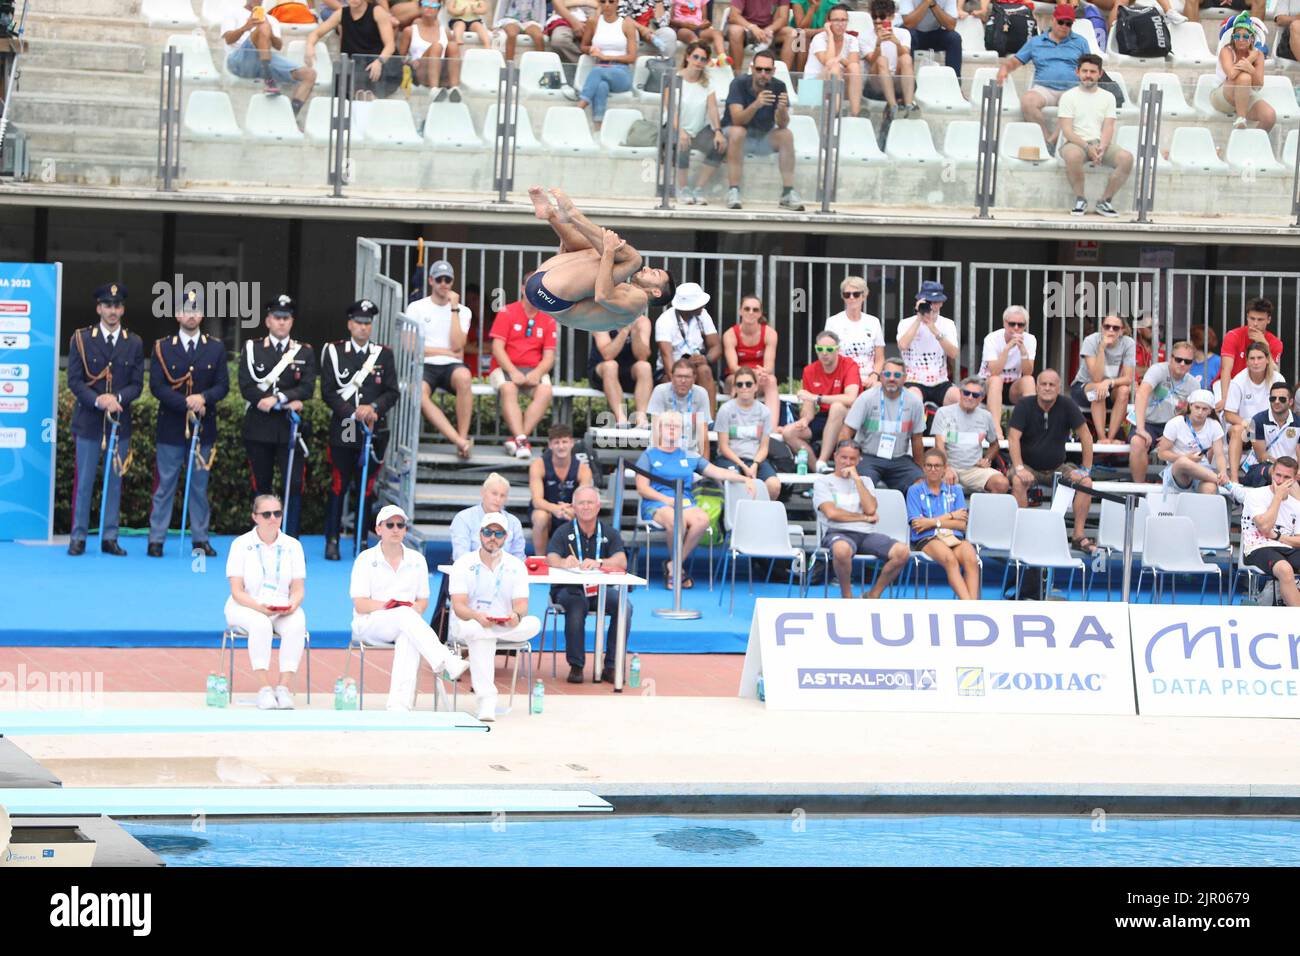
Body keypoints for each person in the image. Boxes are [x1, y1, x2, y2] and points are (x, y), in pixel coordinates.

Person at [350, 504, 469, 711]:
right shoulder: (365, 559)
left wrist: (410, 610)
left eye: (400, 525)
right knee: (404, 616)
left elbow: (423, 602)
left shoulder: (417, 560)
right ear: (379, 529)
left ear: (405, 529)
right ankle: (446, 659)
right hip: (369, 623)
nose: (396, 529)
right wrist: (389, 607)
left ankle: (399, 704)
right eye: (390, 525)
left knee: (408, 636)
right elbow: (360, 604)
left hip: (406, 624)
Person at [146, 287, 230, 558]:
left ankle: (200, 539)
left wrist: (203, 397)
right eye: (185, 311)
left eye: (195, 311)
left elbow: (223, 385)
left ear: (202, 315)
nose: (190, 316)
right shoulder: (162, 347)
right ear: (177, 314)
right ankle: (156, 538)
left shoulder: (215, 348)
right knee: (165, 484)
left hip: (202, 428)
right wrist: (186, 403)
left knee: (199, 486)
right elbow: (157, 386)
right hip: (171, 427)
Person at [524, 186, 675, 333]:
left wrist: (609, 251)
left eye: (654, 273)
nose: (646, 268)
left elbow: (602, 296)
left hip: (549, 295)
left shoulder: (639, 301)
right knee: (597, 254)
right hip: (544, 290)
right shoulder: (624, 294)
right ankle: (551, 214)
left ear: (656, 292)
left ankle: (572, 214)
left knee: (633, 260)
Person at [635, 410, 756, 589]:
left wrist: (744, 478)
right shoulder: (649, 455)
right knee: (678, 521)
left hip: (685, 502)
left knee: (702, 520)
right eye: (668, 425)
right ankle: (677, 569)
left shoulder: (689, 455)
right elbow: (642, 488)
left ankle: (674, 565)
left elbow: (716, 471)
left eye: (676, 426)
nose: (672, 429)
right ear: (659, 429)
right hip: (658, 503)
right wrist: (666, 500)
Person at [66, 282, 144, 557]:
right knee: (84, 480)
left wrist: (117, 399)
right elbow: (74, 381)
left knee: (114, 482)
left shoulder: (133, 342)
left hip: (119, 422)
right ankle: (78, 537)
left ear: (122, 309)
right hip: (89, 421)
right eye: (107, 305)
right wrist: (99, 400)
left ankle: (109, 537)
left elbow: (137, 384)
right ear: (98, 308)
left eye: (117, 305)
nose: (112, 310)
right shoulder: (81, 339)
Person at [320, 299, 401, 561]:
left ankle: (362, 541)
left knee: (366, 487)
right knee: (339, 485)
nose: (363, 328)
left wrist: (374, 407)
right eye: (359, 323)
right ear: (350, 324)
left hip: (373, 427)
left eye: (367, 323)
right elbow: (328, 391)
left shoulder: (383, 354)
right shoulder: (335, 351)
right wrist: (353, 412)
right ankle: (332, 540)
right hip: (345, 425)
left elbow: (392, 391)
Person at [448, 512, 542, 721]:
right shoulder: (463, 563)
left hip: (503, 625)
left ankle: (486, 701)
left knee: (533, 623)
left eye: (498, 533)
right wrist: (477, 616)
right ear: (480, 534)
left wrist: (516, 616)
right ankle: (487, 702)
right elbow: (459, 606)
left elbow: (521, 605)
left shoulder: (516, 565)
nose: (493, 537)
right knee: (479, 632)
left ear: (506, 537)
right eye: (488, 532)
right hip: (470, 623)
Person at [238, 294, 318, 538]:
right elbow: (246, 385)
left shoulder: (304, 352)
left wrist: (278, 399)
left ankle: (290, 538)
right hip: (259, 426)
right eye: (277, 317)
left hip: (288, 429)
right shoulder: (253, 348)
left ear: (291, 322)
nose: (282, 322)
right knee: (260, 486)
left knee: (292, 486)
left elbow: (307, 387)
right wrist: (280, 400)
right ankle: (260, 537)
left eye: (286, 318)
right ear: (268, 321)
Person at [224, 494, 307, 710]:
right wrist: (259, 608)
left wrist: (293, 605)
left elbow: (298, 589)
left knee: (298, 622)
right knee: (260, 624)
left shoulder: (293, 545)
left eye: (277, 513)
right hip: (245, 605)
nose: (273, 518)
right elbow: (236, 591)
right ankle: (264, 688)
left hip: (281, 606)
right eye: (267, 514)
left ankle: (284, 687)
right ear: (255, 517)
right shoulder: (241, 544)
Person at [546, 485, 632, 682]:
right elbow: (550, 557)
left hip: (600, 591)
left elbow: (621, 560)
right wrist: (563, 562)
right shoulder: (563, 531)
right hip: (568, 590)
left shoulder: (609, 532)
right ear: (574, 507)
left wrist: (600, 562)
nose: (586, 507)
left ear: (598, 506)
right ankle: (576, 665)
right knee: (577, 604)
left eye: (590, 502)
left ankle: (611, 665)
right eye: (581, 503)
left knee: (624, 606)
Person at [1008, 368, 1096, 553]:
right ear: (1037, 387)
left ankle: (1078, 536)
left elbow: (1086, 437)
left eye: (1051, 385)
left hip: (1057, 467)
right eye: (1043, 384)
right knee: (1017, 480)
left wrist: (1085, 468)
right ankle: (1021, 534)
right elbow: (1013, 438)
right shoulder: (1024, 405)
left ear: (1058, 388)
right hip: (1028, 467)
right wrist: (1019, 467)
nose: (1047, 388)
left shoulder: (1067, 404)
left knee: (1086, 482)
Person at [814, 440, 912, 598]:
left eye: (852, 459)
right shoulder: (823, 482)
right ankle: (847, 597)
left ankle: (873, 595)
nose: (847, 462)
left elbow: (871, 509)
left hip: (866, 535)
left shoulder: (865, 481)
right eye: (843, 457)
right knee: (841, 550)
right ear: (835, 457)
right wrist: (864, 518)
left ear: (859, 460)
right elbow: (832, 513)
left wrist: (857, 480)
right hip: (837, 532)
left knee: (902, 552)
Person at [995, 5, 1090, 153]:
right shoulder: (1036, 42)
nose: (1065, 26)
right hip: (1044, 88)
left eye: (1069, 23)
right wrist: (1004, 68)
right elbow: (1016, 61)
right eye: (1061, 22)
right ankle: (1046, 139)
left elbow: (1089, 67)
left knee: (1073, 102)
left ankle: (1052, 141)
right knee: (1028, 102)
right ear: (1053, 20)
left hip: (1071, 88)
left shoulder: (1081, 42)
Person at [722, 51, 805, 211]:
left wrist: (781, 110)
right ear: (752, 69)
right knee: (738, 132)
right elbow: (737, 119)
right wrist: (756, 104)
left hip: (762, 136)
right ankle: (733, 190)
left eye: (767, 70)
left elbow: (782, 124)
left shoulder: (779, 86)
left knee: (786, 135)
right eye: (759, 69)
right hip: (736, 137)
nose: (763, 74)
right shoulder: (738, 83)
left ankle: (787, 193)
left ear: (773, 71)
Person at [410, 259, 474, 460]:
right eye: (439, 279)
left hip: (451, 366)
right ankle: (459, 441)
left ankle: (462, 438)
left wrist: (454, 308)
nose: (444, 284)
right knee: (419, 393)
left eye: (448, 279)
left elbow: (457, 345)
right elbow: (411, 347)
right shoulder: (416, 307)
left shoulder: (463, 310)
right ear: (430, 280)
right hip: (424, 364)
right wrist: (445, 352)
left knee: (464, 377)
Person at [489, 280, 558, 459]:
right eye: (531, 287)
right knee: (509, 388)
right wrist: (512, 372)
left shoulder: (548, 318)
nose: (535, 291)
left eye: (540, 288)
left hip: (534, 369)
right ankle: (522, 440)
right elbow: (497, 348)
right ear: (522, 289)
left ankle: (519, 439)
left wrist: (537, 373)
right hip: (505, 367)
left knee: (545, 391)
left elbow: (550, 356)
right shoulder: (507, 311)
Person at [1057, 53, 1131, 218]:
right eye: (1084, 71)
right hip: (1075, 143)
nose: (1088, 75)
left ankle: (1104, 201)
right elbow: (1067, 130)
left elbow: (1109, 126)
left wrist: (1102, 148)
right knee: (1073, 155)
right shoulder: (1068, 96)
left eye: (1092, 71)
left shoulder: (1108, 97)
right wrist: (1087, 147)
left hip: (1100, 143)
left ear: (1100, 73)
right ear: (1077, 72)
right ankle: (1080, 199)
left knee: (1126, 158)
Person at [781, 329, 861, 473]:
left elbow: (850, 398)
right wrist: (805, 420)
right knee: (789, 432)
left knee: (837, 407)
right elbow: (808, 404)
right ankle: (818, 469)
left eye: (829, 349)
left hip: (849, 417)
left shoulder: (849, 365)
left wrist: (817, 398)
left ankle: (822, 460)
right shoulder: (809, 370)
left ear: (837, 350)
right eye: (820, 349)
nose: (824, 353)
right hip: (824, 416)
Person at [907, 448, 981, 600]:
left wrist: (932, 522)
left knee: (971, 558)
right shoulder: (914, 490)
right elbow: (918, 525)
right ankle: (969, 605)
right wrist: (951, 516)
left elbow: (962, 525)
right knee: (949, 559)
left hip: (954, 537)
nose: (933, 469)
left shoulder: (955, 490)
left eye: (937, 466)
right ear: (923, 468)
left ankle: (973, 607)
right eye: (929, 465)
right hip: (927, 538)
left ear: (945, 468)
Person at [842, 356, 926, 488]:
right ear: (881, 377)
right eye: (887, 374)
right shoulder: (866, 398)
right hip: (868, 457)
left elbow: (917, 440)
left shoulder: (914, 402)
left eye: (897, 375)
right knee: (862, 485)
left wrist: (920, 471)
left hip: (900, 459)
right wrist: (846, 462)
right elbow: (846, 432)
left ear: (904, 378)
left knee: (919, 486)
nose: (892, 378)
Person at [221, 0, 317, 112]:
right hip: (239, 59)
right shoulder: (233, 13)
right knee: (263, 26)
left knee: (309, 74)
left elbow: (278, 46)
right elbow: (228, 39)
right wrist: (246, 27)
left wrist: (269, 33)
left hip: (263, 60)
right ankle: (269, 80)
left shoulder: (271, 20)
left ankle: (291, 117)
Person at [1128, 340, 1200, 484]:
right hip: (1148, 422)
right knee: (1137, 442)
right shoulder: (1158, 370)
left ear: (1192, 364)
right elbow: (1142, 394)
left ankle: (1176, 487)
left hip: (1172, 426)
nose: (1182, 364)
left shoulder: (1194, 384)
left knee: (1193, 448)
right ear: (1170, 358)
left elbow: (1192, 414)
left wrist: (1171, 433)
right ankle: (1139, 490)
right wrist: (1141, 429)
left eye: (1187, 361)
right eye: (1178, 359)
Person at [668, 42, 727, 205]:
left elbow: (713, 108)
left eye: (703, 59)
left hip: (698, 131)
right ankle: (682, 189)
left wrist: (718, 131)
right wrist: (680, 131)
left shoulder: (708, 83)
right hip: (674, 128)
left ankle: (698, 189)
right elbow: (670, 109)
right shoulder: (675, 79)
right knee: (683, 144)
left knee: (720, 146)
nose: (698, 61)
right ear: (687, 57)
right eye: (695, 57)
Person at [306, 0, 401, 100]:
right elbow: (316, 33)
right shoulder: (342, 13)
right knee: (343, 80)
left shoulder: (377, 12)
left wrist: (379, 61)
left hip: (381, 63)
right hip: (356, 66)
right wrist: (309, 45)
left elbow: (390, 45)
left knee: (364, 79)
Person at [932, 377, 1010, 494]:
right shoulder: (943, 412)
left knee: (1002, 483)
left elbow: (995, 444)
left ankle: (984, 512)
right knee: (945, 482)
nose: (969, 397)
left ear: (982, 398)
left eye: (975, 395)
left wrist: (987, 459)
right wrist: (946, 468)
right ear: (960, 393)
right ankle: (951, 513)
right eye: (966, 393)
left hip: (974, 469)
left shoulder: (986, 416)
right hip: (949, 466)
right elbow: (939, 445)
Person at [1240, 455, 1300, 607]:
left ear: (1294, 479)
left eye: (1286, 477)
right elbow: (1265, 528)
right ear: (1272, 472)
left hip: (1286, 548)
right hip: (1257, 547)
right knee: (1285, 569)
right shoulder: (1255, 495)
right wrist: (1278, 497)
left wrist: (1279, 537)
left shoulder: (1296, 505)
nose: (1280, 481)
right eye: (1278, 475)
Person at [570, 0, 638, 130]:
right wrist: (591, 50)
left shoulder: (626, 23)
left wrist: (606, 57)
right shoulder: (593, 21)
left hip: (621, 71)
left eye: (611, 1)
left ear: (617, 3)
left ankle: (579, 108)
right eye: (603, 1)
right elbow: (583, 46)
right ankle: (598, 126)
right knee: (601, 86)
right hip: (602, 67)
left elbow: (632, 57)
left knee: (597, 71)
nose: (607, 5)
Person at [714, 367, 782, 498]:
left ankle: (762, 516)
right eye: (740, 384)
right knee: (737, 481)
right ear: (735, 388)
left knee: (774, 485)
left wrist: (755, 464)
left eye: (748, 384)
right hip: (730, 459)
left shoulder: (764, 412)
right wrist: (743, 466)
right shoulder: (725, 409)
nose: (744, 387)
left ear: (756, 387)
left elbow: (764, 447)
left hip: (755, 460)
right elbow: (723, 447)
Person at [529, 424, 595, 556]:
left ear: (572, 443)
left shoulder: (583, 469)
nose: (561, 446)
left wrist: (570, 510)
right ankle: (541, 559)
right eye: (556, 442)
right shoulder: (539, 465)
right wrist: (555, 509)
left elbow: (584, 500)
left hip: (571, 510)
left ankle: (576, 560)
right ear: (550, 445)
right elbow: (537, 501)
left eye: (564, 442)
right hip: (546, 509)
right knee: (540, 517)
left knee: (582, 515)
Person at [1224, 341, 1287, 480]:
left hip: (1270, 428)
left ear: (1267, 360)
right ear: (1246, 361)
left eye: (1259, 358)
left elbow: (1285, 407)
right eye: (1252, 358)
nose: (1256, 362)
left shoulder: (1277, 379)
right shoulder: (1238, 381)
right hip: (1247, 430)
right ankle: (1234, 480)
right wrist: (1248, 424)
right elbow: (1228, 414)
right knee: (1237, 429)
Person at [1070, 314, 1134, 442]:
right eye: (1107, 326)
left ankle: (1110, 438)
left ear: (1122, 331)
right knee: (1099, 388)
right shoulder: (1091, 340)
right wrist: (1101, 348)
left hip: (1108, 387)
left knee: (1124, 390)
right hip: (1083, 387)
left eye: (1115, 328)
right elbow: (1096, 378)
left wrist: (1109, 382)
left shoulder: (1128, 343)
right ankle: (1102, 437)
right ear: (1101, 328)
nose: (1110, 330)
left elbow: (1128, 378)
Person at [654, 281, 721, 404]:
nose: (703, 305)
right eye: (699, 303)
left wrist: (706, 359)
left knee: (705, 371)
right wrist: (683, 376)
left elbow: (716, 346)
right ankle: (676, 419)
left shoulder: (703, 315)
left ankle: (709, 421)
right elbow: (667, 358)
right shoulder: (664, 320)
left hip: (696, 366)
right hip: (670, 369)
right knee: (676, 379)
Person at [897, 280, 959, 411]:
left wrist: (933, 327)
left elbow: (953, 353)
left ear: (941, 303)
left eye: (936, 302)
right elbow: (902, 345)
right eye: (929, 302)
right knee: (914, 402)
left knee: (961, 399)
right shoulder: (906, 323)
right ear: (921, 301)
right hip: (913, 381)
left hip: (940, 381)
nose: (932, 306)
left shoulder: (947, 324)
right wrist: (919, 318)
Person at [721, 295, 780, 432]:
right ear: (740, 311)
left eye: (755, 310)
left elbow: (769, 367)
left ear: (760, 313)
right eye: (747, 309)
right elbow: (733, 367)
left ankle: (770, 428)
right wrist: (751, 374)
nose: (751, 313)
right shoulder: (730, 334)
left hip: (759, 377)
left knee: (771, 380)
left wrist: (760, 373)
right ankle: (734, 425)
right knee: (740, 380)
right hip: (734, 378)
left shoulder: (769, 333)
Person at [1155, 389, 1231, 495]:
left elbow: (1220, 455)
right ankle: (1228, 485)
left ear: (1210, 411)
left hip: (1203, 468)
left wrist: (1223, 472)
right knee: (1183, 462)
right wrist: (1187, 458)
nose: (1200, 412)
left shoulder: (1214, 425)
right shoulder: (1175, 423)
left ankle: (1221, 481)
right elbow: (1162, 453)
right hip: (1178, 470)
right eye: (1197, 407)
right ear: (1190, 406)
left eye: (1204, 409)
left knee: (1210, 489)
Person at [978, 305, 1037, 439]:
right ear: (1005, 323)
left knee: (1029, 380)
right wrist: (1007, 349)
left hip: (1012, 387)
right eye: (1012, 324)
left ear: (1025, 326)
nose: (1016, 328)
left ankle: (1028, 429)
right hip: (988, 385)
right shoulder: (992, 338)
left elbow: (1028, 372)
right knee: (996, 380)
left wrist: (1023, 351)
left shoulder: (1030, 339)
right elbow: (994, 371)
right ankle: (996, 430)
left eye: (1020, 325)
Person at [1210, 13, 1275, 131]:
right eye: (1236, 36)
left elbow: (1258, 85)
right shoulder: (1226, 51)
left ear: (1251, 38)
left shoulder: (1258, 55)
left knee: (1269, 116)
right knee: (1244, 77)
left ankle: (1252, 145)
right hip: (1222, 95)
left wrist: (1251, 69)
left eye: (1245, 36)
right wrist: (1250, 59)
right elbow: (1231, 74)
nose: (1240, 40)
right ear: (1232, 37)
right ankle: (1241, 119)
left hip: (1245, 95)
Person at [589, 314, 654, 428]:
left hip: (628, 374)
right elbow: (607, 355)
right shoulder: (599, 319)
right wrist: (624, 330)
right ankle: (621, 418)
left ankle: (641, 418)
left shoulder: (642, 322)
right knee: (611, 365)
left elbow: (642, 356)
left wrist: (636, 333)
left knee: (644, 367)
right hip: (602, 373)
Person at [824, 276, 884, 391]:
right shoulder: (832, 322)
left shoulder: (874, 322)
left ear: (864, 296)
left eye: (856, 294)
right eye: (847, 294)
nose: (851, 298)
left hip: (869, 379)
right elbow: (829, 355)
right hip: (843, 378)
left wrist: (874, 375)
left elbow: (880, 358)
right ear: (843, 297)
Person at [804, 4, 864, 118]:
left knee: (854, 67)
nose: (840, 24)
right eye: (836, 20)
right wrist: (830, 35)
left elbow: (853, 64)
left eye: (843, 20)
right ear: (828, 22)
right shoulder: (819, 39)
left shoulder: (852, 40)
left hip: (837, 83)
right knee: (835, 66)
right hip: (811, 88)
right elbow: (828, 61)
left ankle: (855, 114)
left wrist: (841, 58)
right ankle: (835, 116)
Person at [646, 358, 714, 457]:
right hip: (663, 447)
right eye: (679, 376)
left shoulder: (701, 393)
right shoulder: (660, 391)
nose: (683, 381)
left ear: (694, 378)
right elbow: (657, 430)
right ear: (672, 377)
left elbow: (703, 433)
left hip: (691, 450)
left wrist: (705, 463)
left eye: (687, 377)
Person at [860, 0, 918, 117]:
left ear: (891, 16)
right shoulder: (864, 36)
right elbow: (871, 60)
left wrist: (896, 43)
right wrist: (878, 44)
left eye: (882, 17)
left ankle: (908, 106)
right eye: (874, 17)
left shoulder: (903, 33)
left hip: (897, 79)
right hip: (876, 82)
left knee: (906, 58)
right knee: (881, 60)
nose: (877, 21)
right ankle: (893, 107)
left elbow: (905, 56)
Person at [1217, 296, 1282, 390]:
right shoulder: (1233, 335)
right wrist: (1225, 398)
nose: (1255, 323)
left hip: (1258, 385)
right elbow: (1226, 369)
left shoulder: (1276, 343)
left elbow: (1274, 372)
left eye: (1260, 320)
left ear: (1269, 320)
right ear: (1247, 317)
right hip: (1228, 382)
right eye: (1252, 318)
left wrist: (1264, 344)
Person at [1242, 382, 1299, 487]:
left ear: (1290, 402)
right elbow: (1261, 457)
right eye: (1273, 398)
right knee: (1280, 474)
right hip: (1265, 467)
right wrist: (1283, 468)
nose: (1276, 402)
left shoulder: (1298, 422)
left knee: (1288, 476)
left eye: (1282, 399)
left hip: (1292, 469)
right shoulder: (1256, 421)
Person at [400, 0, 460, 100]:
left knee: (453, 46)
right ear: (420, 7)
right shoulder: (410, 31)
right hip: (421, 71)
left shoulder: (445, 31)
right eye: (426, 4)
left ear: (438, 9)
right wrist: (410, 61)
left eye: (434, 5)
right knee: (436, 46)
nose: (430, 7)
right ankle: (434, 90)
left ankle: (455, 88)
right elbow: (400, 57)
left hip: (442, 71)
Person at [725, 0, 799, 71]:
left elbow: (783, 18)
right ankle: (737, 75)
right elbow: (734, 16)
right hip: (746, 29)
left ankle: (783, 76)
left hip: (770, 31)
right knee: (735, 31)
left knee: (792, 33)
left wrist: (769, 29)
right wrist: (752, 27)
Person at [898, 0, 961, 79]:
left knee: (954, 38)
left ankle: (955, 84)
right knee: (908, 35)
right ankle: (907, 85)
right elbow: (908, 24)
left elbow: (951, 25)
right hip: (913, 33)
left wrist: (934, 5)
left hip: (935, 32)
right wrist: (926, 2)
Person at [670, 1, 728, 66]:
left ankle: (722, 58)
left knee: (717, 33)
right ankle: (706, 60)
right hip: (681, 28)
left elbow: (705, 20)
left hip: (698, 28)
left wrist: (704, 24)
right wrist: (683, 24)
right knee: (692, 36)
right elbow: (669, 20)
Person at [1189, 324, 1221, 388]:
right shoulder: (1186, 362)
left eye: (1190, 340)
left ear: (1196, 342)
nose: (1188, 343)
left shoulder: (1218, 362)